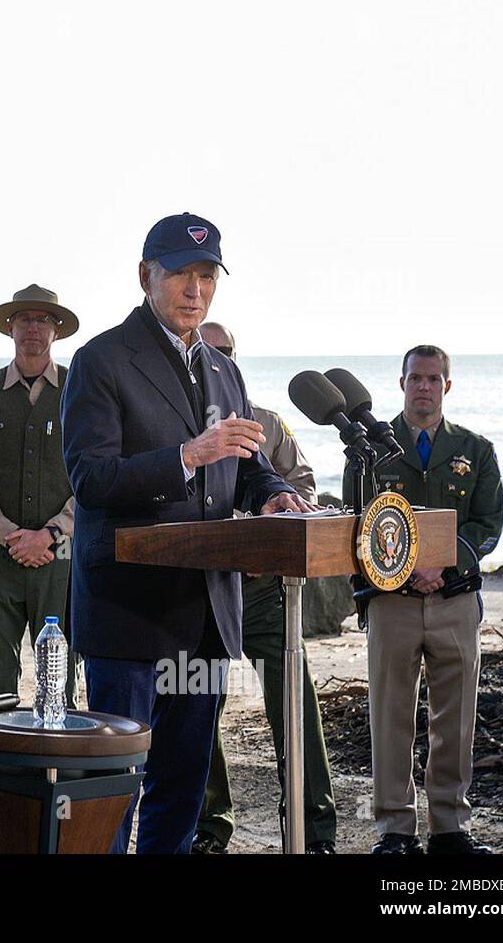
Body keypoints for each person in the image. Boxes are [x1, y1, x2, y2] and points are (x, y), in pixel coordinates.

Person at [60, 212, 317, 854]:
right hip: (129, 613)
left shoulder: (224, 371)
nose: (194, 290)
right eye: (180, 274)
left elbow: (246, 461)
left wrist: (275, 495)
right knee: (115, 789)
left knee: (183, 790)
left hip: (204, 612)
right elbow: (91, 479)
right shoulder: (100, 361)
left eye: (206, 277)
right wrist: (187, 456)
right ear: (145, 276)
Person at [351, 345, 503, 854]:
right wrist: (405, 568)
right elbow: (357, 522)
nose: (424, 387)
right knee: (390, 715)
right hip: (392, 599)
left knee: (455, 717)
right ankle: (395, 829)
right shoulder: (372, 449)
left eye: (434, 379)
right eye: (416, 377)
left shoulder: (475, 449)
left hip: (455, 600)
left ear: (447, 386)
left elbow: (488, 526)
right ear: (401, 384)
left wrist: (444, 563)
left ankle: (450, 827)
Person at [191, 321, 337, 854]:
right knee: (196, 701)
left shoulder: (267, 423)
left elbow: (300, 489)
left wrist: (260, 544)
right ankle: (210, 827)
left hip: (262, 595)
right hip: (203, 590)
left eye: (224, 351)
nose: (215, 358)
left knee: (295, 705)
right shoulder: (177, 426)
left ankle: (312, 831)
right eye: (206, 349)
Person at [0, 285, 79, 708]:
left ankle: (56, 771)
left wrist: (49, 535)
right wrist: (11, 536)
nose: (34, 329)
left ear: (56, 331)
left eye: (44, 320)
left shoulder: (79, 391)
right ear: (10, 327)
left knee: (58, 684)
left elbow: (91, 476)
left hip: (59, 562)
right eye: (25, 319)